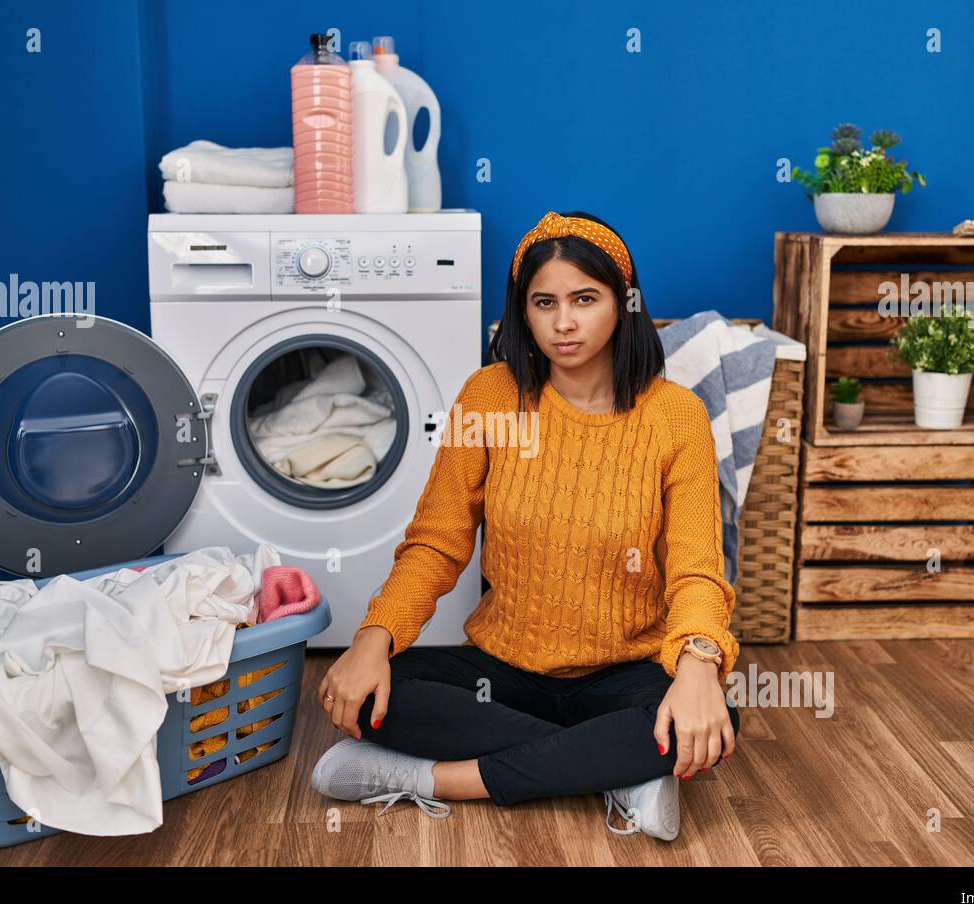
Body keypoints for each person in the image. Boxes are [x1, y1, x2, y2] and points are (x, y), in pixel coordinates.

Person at [310, 209, 740, 841]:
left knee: (716, 711)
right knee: (373, 693)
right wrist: (373, 638)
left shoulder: (677, 417)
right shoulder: (487, 398)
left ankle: (429, 780)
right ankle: (616, 768)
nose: (563, 322)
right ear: (523, 310)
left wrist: (700, 668)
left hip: (627, 670)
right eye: (544, 302)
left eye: (584, 299)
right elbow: (437, 540)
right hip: (503, 672)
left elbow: (697, 568)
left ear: (624, 303)